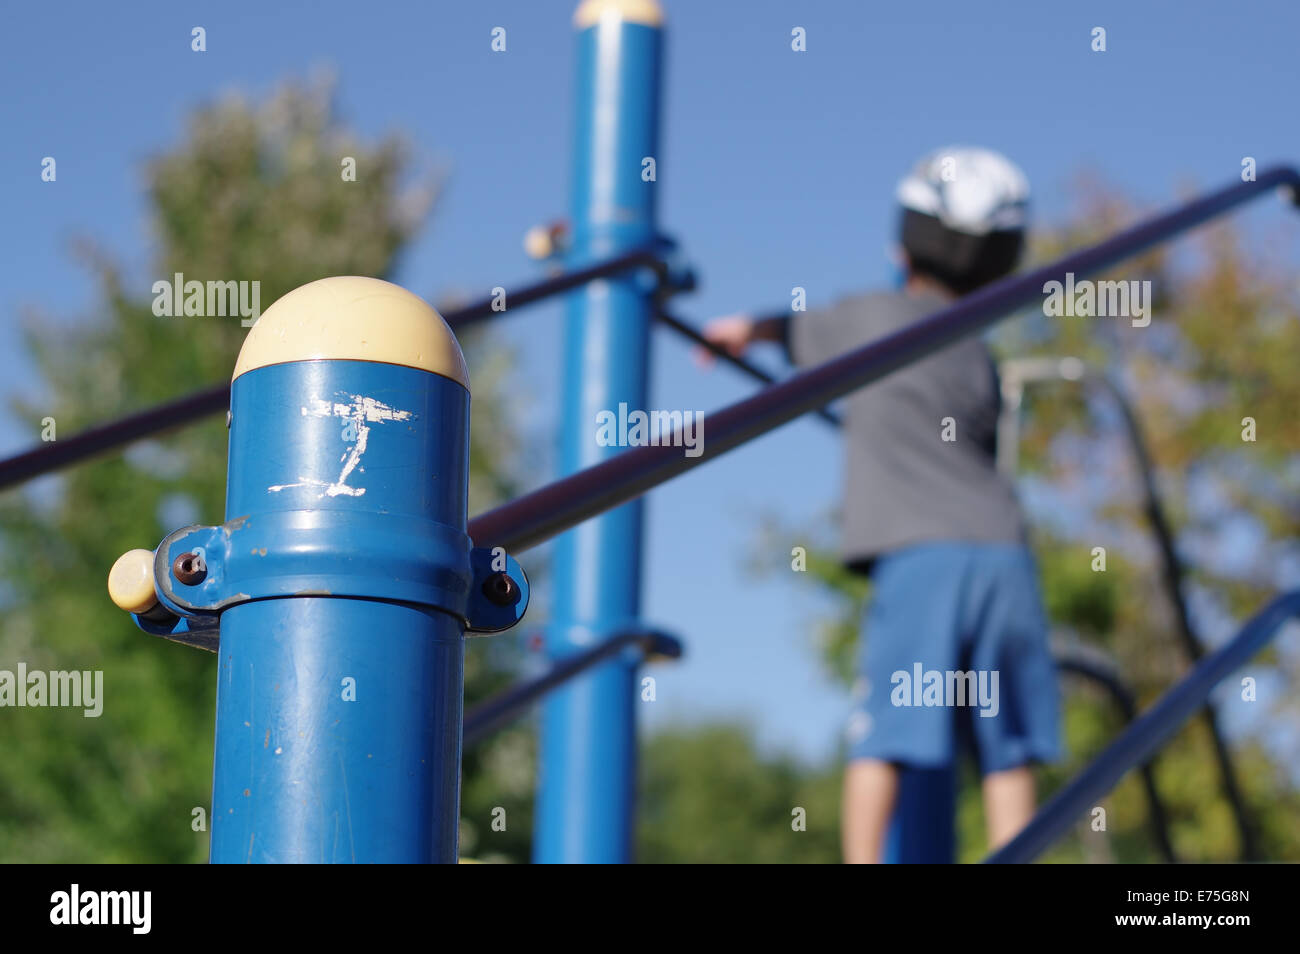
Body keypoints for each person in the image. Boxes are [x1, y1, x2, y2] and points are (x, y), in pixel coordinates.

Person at [700, 147, 1061, 863]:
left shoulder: (872, 315)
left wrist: (745, 327)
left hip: (920, 553)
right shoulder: (976, 349)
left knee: (885, 732)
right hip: (1002, 552)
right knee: (1005, 742)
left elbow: (795, 330)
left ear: (904, 246)